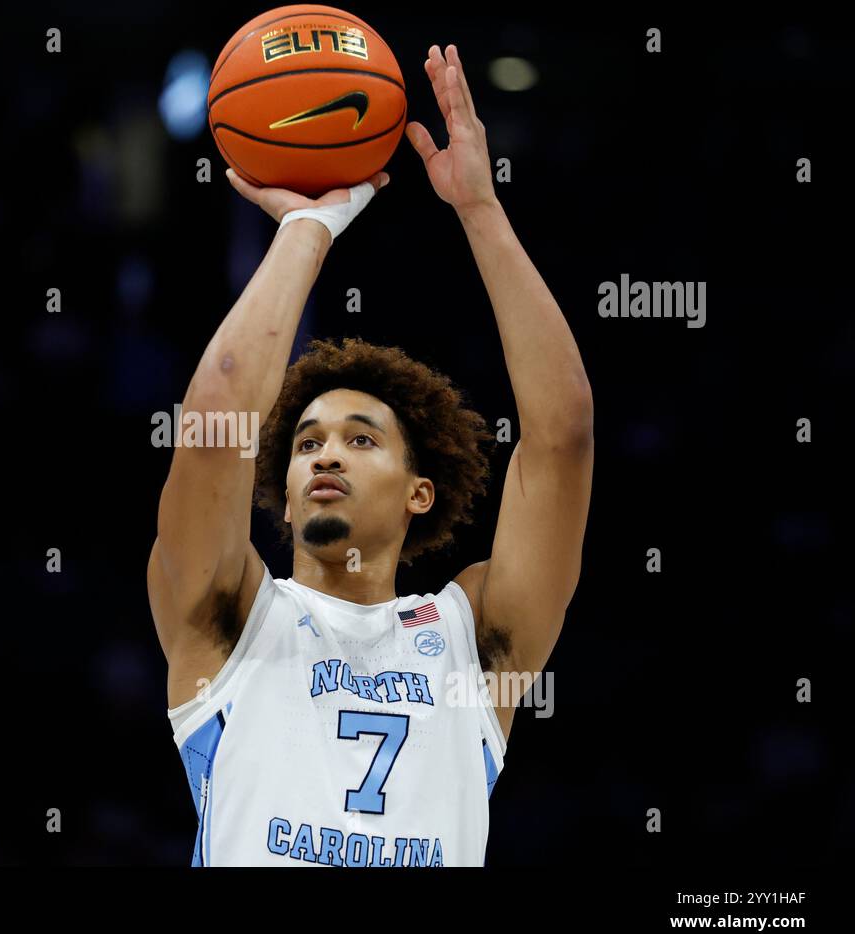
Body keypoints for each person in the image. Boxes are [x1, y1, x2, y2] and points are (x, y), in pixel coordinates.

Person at [147, 44, 593, 866]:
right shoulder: (230, 618)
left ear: (421, 492)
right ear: (280, 496)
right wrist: (307, 229)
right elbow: (213, 422)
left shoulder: (475, 636)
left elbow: (561, 438)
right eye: (308, 442)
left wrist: (480, 211)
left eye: (361, 439)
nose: (327, 456)